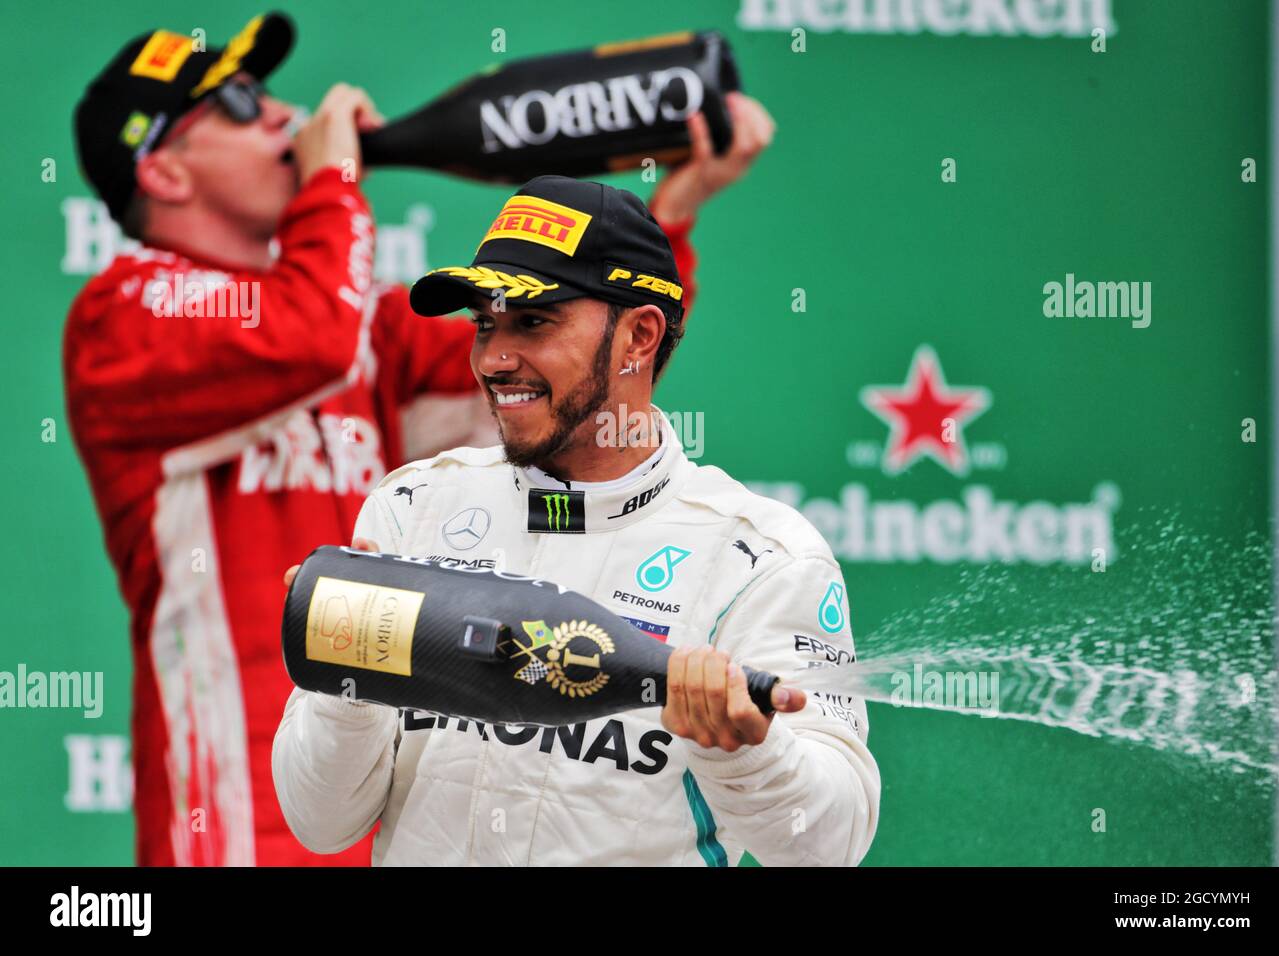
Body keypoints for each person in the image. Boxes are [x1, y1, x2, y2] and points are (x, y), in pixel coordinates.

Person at [65, 12, 774, 866]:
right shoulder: (123, 316)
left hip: (368, 795)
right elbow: (310, 335)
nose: (284, 114)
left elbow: (563, 381)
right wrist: (332, 177)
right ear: (166, 169)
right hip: (235, 821)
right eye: (243, 103)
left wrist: (667, 219)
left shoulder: (356, 323)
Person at [272, 175, 881, 866]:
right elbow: (319, 823)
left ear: (639, 336)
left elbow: (831, 844)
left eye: (533, 321)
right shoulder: (414, 507)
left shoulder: (758, 558)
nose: (494, 360)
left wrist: (747, 753)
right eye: (484, 324)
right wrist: (347, 673)